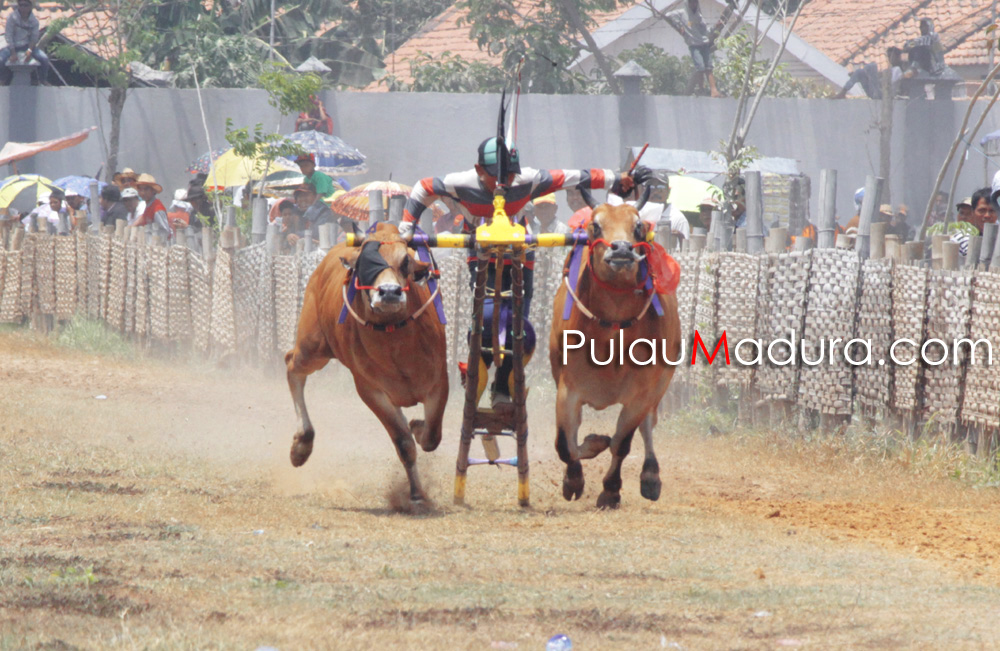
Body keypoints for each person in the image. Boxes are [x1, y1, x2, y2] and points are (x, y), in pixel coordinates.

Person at [400, 135, 648, 404]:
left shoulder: (527, 179)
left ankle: (503, 388)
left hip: (520, 255)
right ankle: (477, 369)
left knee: (519, 325)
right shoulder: (460, 183)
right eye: (497, 177)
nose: (505, 183)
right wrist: (406, 228)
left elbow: (572, 177)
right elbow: (422, 187)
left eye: (510, 175)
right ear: (479, 170)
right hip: (482, 254)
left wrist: (617, 179)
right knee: (485, 318)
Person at [663, 0, 728, 97]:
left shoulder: (699, 16)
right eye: (691, 2)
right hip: (694, 46)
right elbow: (668, 15)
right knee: (700, 67)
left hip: (704, 44)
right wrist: (679, 26)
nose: (693, 4)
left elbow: (706, 31)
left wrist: (715, 26)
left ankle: (714, 91)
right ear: (687, 3)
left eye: (695, 2)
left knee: (708, 68)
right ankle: (701, 89)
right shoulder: (682, 13)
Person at [1, 0, 51, 85]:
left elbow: (34, 38)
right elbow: (9, 36)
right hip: (12, 46)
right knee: (1, 60)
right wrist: (13, 53)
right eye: (21, 5)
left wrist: (30, 50)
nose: (23, 8)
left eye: (26, 5)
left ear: (30, 6)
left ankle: (42, 79)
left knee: (44, 58)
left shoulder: (34, 21)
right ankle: (2, 79)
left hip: (26, 46)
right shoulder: (12, 18)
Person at [833, 47, 905, 100]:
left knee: (872, 66)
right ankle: (843, 92)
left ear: (898, 57)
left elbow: (888, 83)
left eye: (892, 56)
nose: (890, 58)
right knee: (859, 72)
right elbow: (881, 76)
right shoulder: (890, 69)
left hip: (885, 95)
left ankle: (859, 74)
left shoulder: (898, 69)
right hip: (877, 93)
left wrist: (875, 78)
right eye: (889, 56)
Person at [133, 174, 171, 241]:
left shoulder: (157, 208)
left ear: (153, 190)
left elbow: (165, 231)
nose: (143, 192)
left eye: (146, 189)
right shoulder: (148, 206)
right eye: (140, 189)